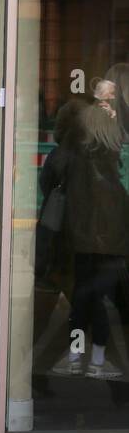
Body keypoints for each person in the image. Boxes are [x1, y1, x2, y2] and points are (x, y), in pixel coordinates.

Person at [46, 102, 129, 379]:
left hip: (78, 241)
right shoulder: (108, 160)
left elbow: (49, 184)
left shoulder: (69, 157)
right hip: (108, 244)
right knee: (99, 300)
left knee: (83, 298)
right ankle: (96, 359)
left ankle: (76, 356)